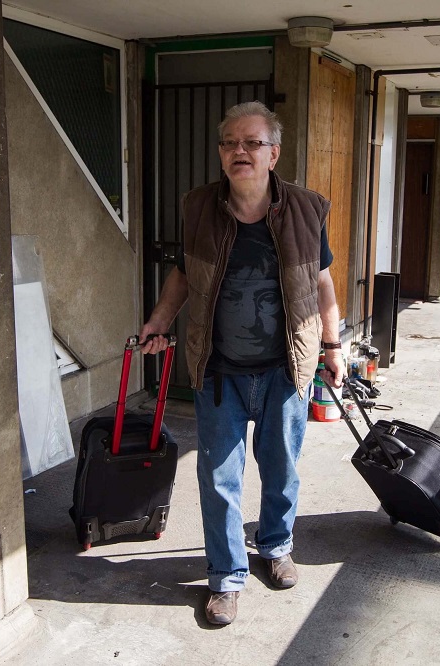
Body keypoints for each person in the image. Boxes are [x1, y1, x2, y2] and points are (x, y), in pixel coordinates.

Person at [139, 101, 345, 626]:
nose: (240, 151)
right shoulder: (199, 207)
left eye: (252, 143)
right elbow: (184, 276)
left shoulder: (306, 209)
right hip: (219, 372)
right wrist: (159, 321)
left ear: (273, 154)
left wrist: (333, 347)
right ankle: (226, 577)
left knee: (282, 471)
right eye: (230, 143)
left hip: (285, 369)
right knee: (219, 479)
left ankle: (275, 548)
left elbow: (322, 285)